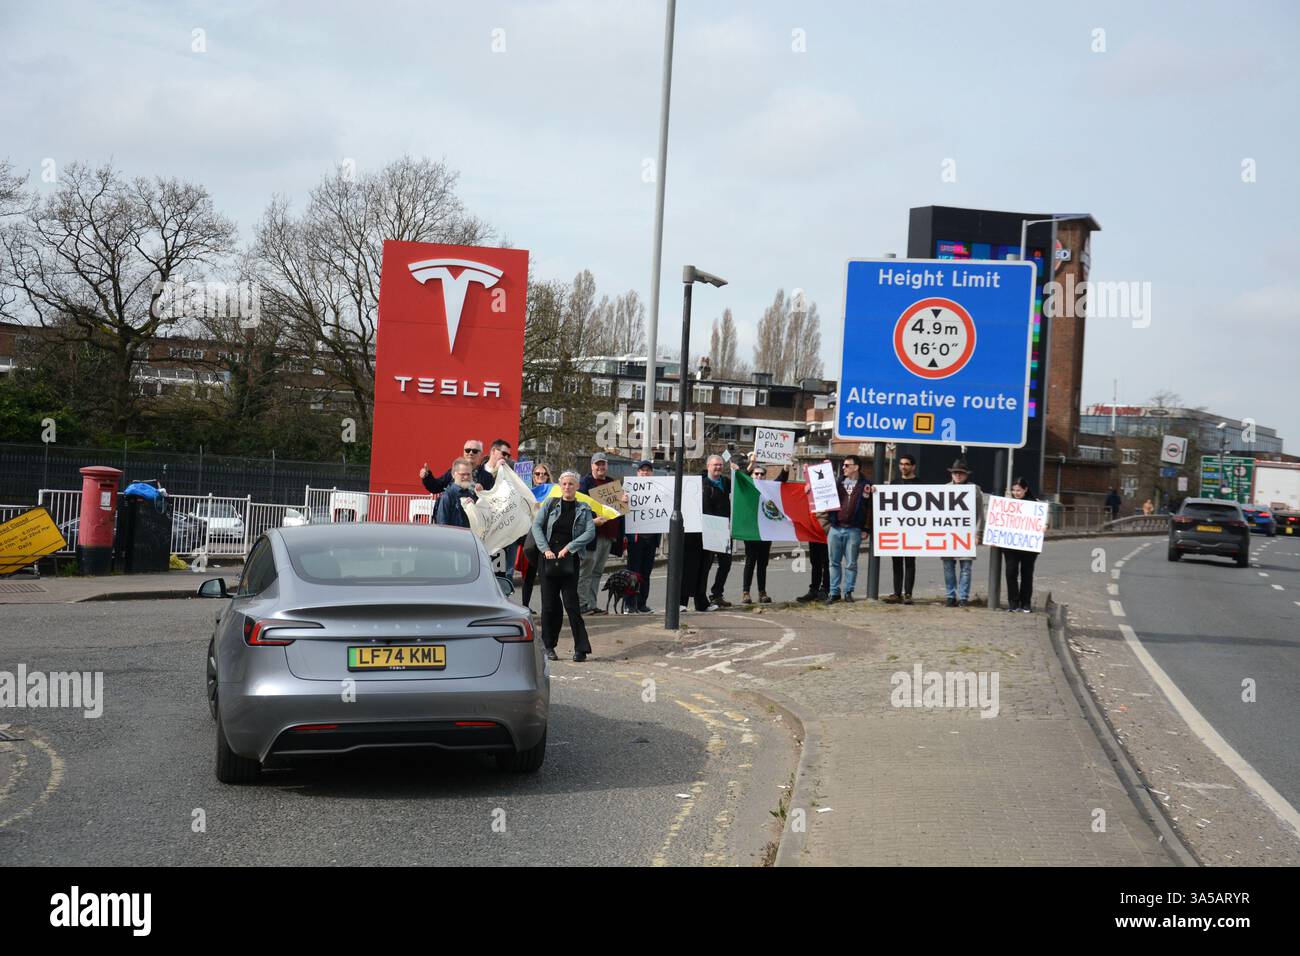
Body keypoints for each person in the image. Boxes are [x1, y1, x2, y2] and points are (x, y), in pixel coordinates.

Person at [531, 471, 595, 662]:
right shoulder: (550, 504)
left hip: (569, 560)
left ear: (577, 487)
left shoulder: (583, 508)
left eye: (571, 484)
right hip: (548, 560)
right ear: (560, 486)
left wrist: (570, 547)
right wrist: (545, 550)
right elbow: (536, 526)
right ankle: (548, 646)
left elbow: (590, 532)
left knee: (571, 605)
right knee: (549, 606)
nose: (567, 487)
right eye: (564, 484)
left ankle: (581, 648)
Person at [821, 454, 871, 604]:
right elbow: (822, 491)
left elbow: (869, 509)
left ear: (856, 467)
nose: (843, 468)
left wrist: (866, 529)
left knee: (851, 563)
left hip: (854, 529)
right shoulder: (838, 483)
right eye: (843, 465)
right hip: (836, 527)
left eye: (847, 465)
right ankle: (834, 592)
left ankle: (848, 591)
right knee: (833, 562)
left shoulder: (866, 485)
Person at [578, 451, 621, 615]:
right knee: (586, 571)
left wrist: (623, 501)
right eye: (598, 464)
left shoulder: (612, 483)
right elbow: (580, 508)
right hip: (591, 535)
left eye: (603, 464)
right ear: (592, 466)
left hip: (607, 536)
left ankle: (591, 604)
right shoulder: (585, 483)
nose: (601, 467)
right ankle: (582, 605)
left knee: (596, 572)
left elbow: (618, 510)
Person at [941, 457, 984, 608]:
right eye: (955, 473)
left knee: (966, 567)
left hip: (967, 533)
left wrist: (978, 533)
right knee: (948, 565)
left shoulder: (975, 489)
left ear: (966, 475)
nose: (958, 475)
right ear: (951, 474)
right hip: (948, 533)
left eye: (961, 473)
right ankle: (950, 596)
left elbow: (980, 514)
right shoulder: (944, 488)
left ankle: (963, 597)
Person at [741, 461, 782, 604]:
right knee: (750, 561)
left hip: (766, 531)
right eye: (756, 473)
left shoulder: (769, 488)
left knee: (762, 563)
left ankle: (762, 592)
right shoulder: (748, 487)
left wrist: (787, 468)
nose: (759, 476)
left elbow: (780, 481)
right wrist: (751, 464)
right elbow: (741, 478)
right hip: (752, 531)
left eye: (762, 474)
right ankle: (746, 592)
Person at [623, 460, 659, 614]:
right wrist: (623, 501)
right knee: (633, 573)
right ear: (637, 473)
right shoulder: (628, 489)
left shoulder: (658, 489)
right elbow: (620, 511)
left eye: (648, 470)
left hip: (651, 538)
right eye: (642, 470)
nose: (645, 473)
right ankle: (629, 604)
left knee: (646, 573)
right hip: (635, 539)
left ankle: (642, 603)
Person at [884, 453, 920, 605]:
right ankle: (897, 593)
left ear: (913, 466)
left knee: (910, 562)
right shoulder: (894, 483)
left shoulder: (920, 484)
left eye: (906, 464)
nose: (903, 467)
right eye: (901, 464)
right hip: (897, 529)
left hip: (913, 530)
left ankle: (908, 594)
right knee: (897, 562)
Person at [519, 462, 554, 609]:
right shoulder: (527, 493)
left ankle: (547, 607)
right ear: (533, 476)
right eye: (537, 474)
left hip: (548, 538)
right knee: (529, 575)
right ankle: (525, 606)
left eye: (544, 474)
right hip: (529, 538)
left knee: (547, 576)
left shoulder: (554, 493)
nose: (541, 476)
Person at [1003, 477, 1039, 613]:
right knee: (1011, 573)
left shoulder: (1034, 505)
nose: (1015, 493)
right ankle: (1013, 602)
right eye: (1013, 490)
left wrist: (1043, 526)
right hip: (1010, 546)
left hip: (1028, 546)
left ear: (1025, 489)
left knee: (1027, 574)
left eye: (1018, 490)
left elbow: (1041, 522)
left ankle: (1026, 603)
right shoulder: (1007, 505)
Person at [420, 438, 496, 495]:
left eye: (475, 451)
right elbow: (436, 487)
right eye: (467, 450)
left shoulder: (487, 477)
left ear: (481, 454)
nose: (471, 453)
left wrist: (483, 493)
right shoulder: (454, 471)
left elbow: (493, 500)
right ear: (463, 452)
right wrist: (427, 477)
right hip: (453, 514)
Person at [433, 457, 477, 528]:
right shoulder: (447, 496)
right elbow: (442, 525)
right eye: (463, 474)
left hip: (468, 537)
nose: (466, 477)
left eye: (468, 474)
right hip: (453, 538)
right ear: (453, 475)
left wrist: (475, 508)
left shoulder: (472, 494)